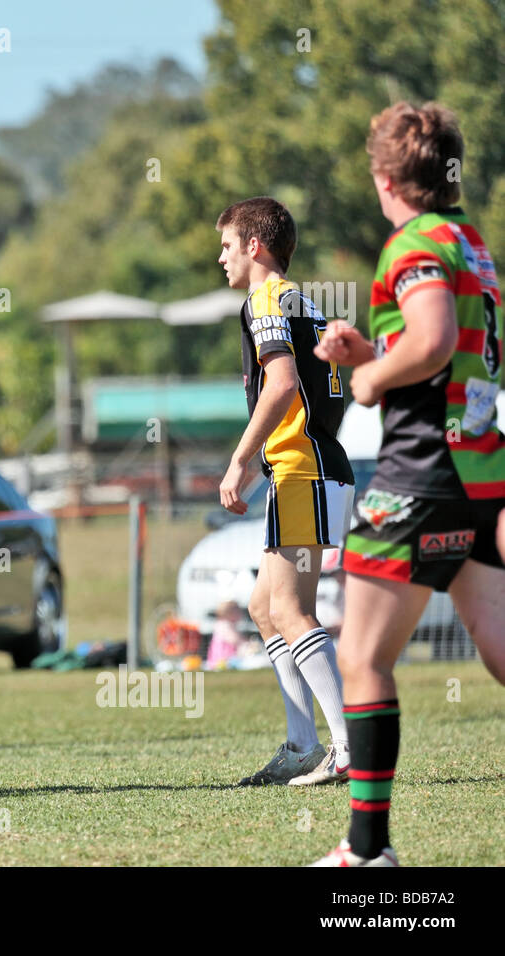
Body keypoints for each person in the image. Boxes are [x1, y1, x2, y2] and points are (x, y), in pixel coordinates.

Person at [311, 102, 505, 866]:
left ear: (386, 178)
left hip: (421, 473)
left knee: (362, 658)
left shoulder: (415, 242)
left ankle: (366, 850)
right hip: (479, 471)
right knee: (497, 650)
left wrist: (366, 381)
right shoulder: (469, 240)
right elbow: (442, 351)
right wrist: (369, 355)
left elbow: (428, 343)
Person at [216, 197, 355, 787]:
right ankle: (302, 745)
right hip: (310, 468)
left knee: (293, 612)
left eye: (226, 245)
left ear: (255, 246)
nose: (219, 258)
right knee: (263, 609)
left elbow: (282, 384)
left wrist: (239, 461)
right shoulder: (303, 300)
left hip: (304, 470)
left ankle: (349, 748)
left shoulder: (267, 297)